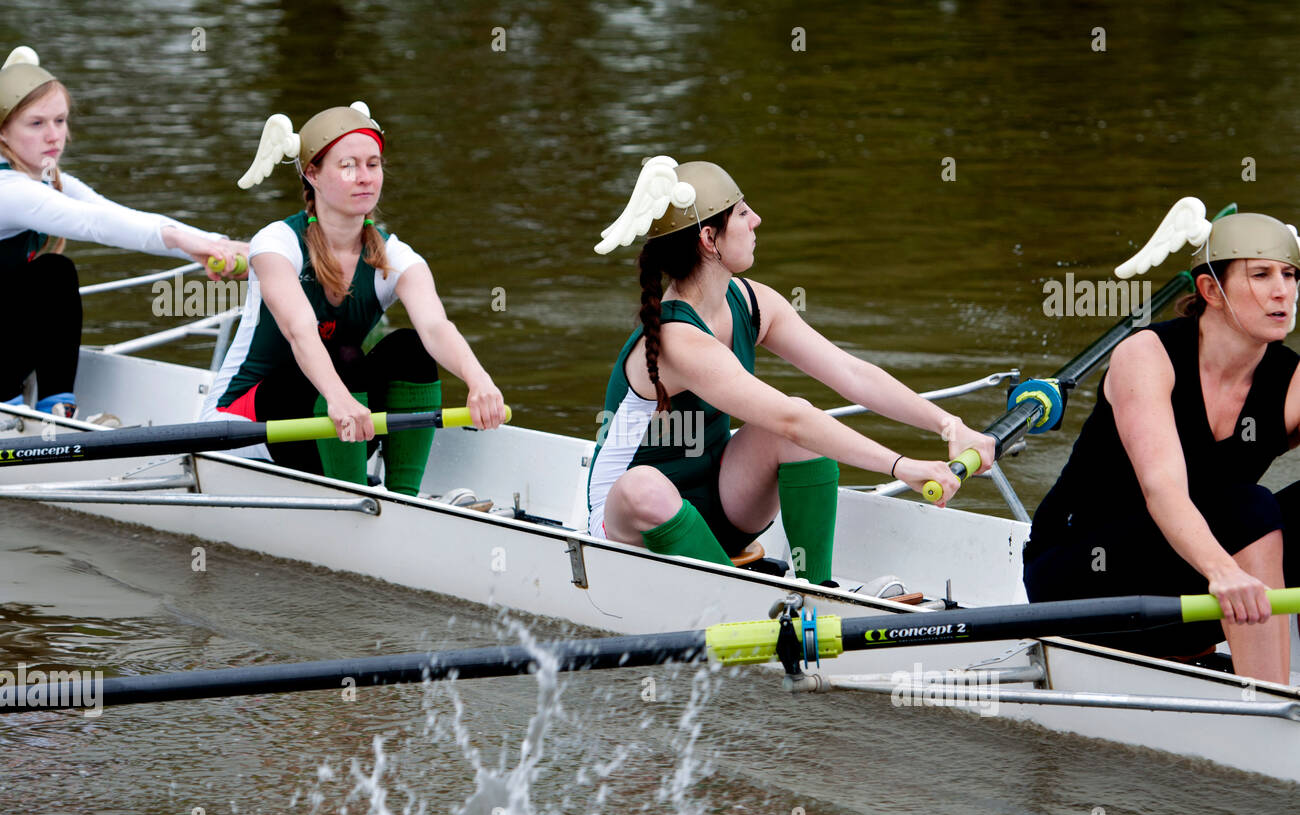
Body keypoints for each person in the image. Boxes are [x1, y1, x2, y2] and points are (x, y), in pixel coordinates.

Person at [588, 155, 995, 584]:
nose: (757, 220)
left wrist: (950, 426)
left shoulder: (750, 301)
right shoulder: (677, 340)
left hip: (717, 503)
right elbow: (790, 419)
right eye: (743, 213)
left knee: (799, 429)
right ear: (710, 238)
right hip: (628, 525)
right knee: (649, 483)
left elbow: (850, 373)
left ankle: (818, 593)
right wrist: (902, 466)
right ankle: (738, 606)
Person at [1023, 199, 1300, 683]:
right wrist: (1224, 573)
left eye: (1290, 274)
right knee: (1249, 508)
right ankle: (1270, 705)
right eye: (1260, 275)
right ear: (1211, 290)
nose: (1283, 291)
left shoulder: (1290, 378)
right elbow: (1164, 491)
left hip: (1185, 585)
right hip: (1083, 581)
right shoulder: (1146, 356)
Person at [203, 102, 505, 494]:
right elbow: (299, 332)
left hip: (331, 415)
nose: (365, 178)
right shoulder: (276, 243)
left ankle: (402, 499)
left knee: (411, 348)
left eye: (373, 164)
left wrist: (478, 379)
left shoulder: (396, 256)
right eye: (348, 166)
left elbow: (435, 327)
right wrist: (338, 398)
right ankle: (353, 495)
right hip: (249, 424)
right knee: (343, 355)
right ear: (312, 173)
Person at [0, 46, 247, 417]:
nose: (54, 136)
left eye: (60, 121)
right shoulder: (10, 191)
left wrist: (227, 247)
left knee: (53, 272)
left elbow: (120, 215)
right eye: (36, 124)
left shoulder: (50, 180)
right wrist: (187, 242)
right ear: (3, 131)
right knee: (51, 274)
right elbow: (97, 226)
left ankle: (55, 411)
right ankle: (12, 411)